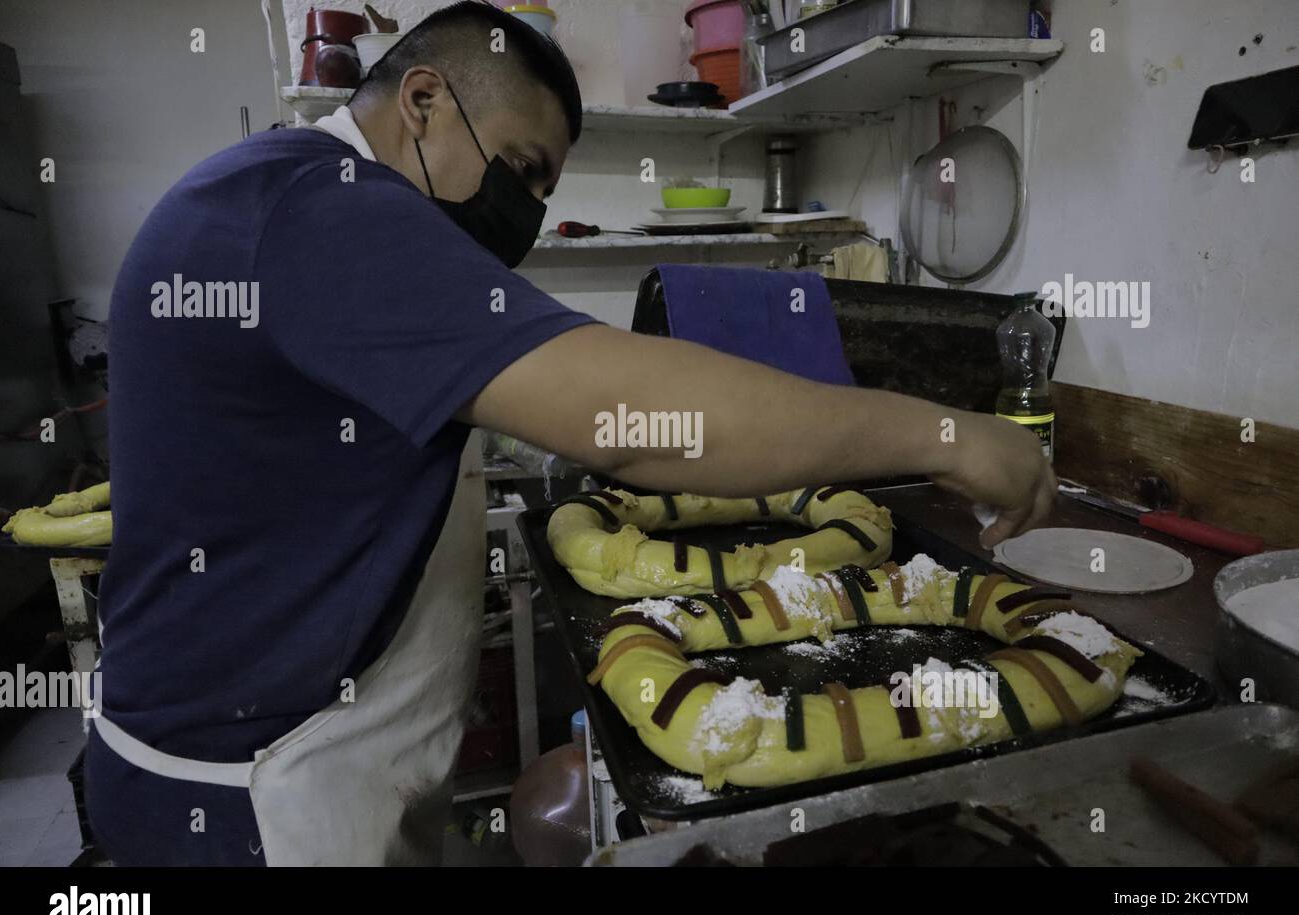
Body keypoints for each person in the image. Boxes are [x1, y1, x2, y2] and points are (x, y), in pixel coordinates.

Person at [87, 0, 1055, 866]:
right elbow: (627, 422)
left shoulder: (286, 196)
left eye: (542, 191)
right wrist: (941, 431)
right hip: (245, 798)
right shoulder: (322, 206)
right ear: (421, 99)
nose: (523, 210)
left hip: (287, 760)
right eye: (517, 167)